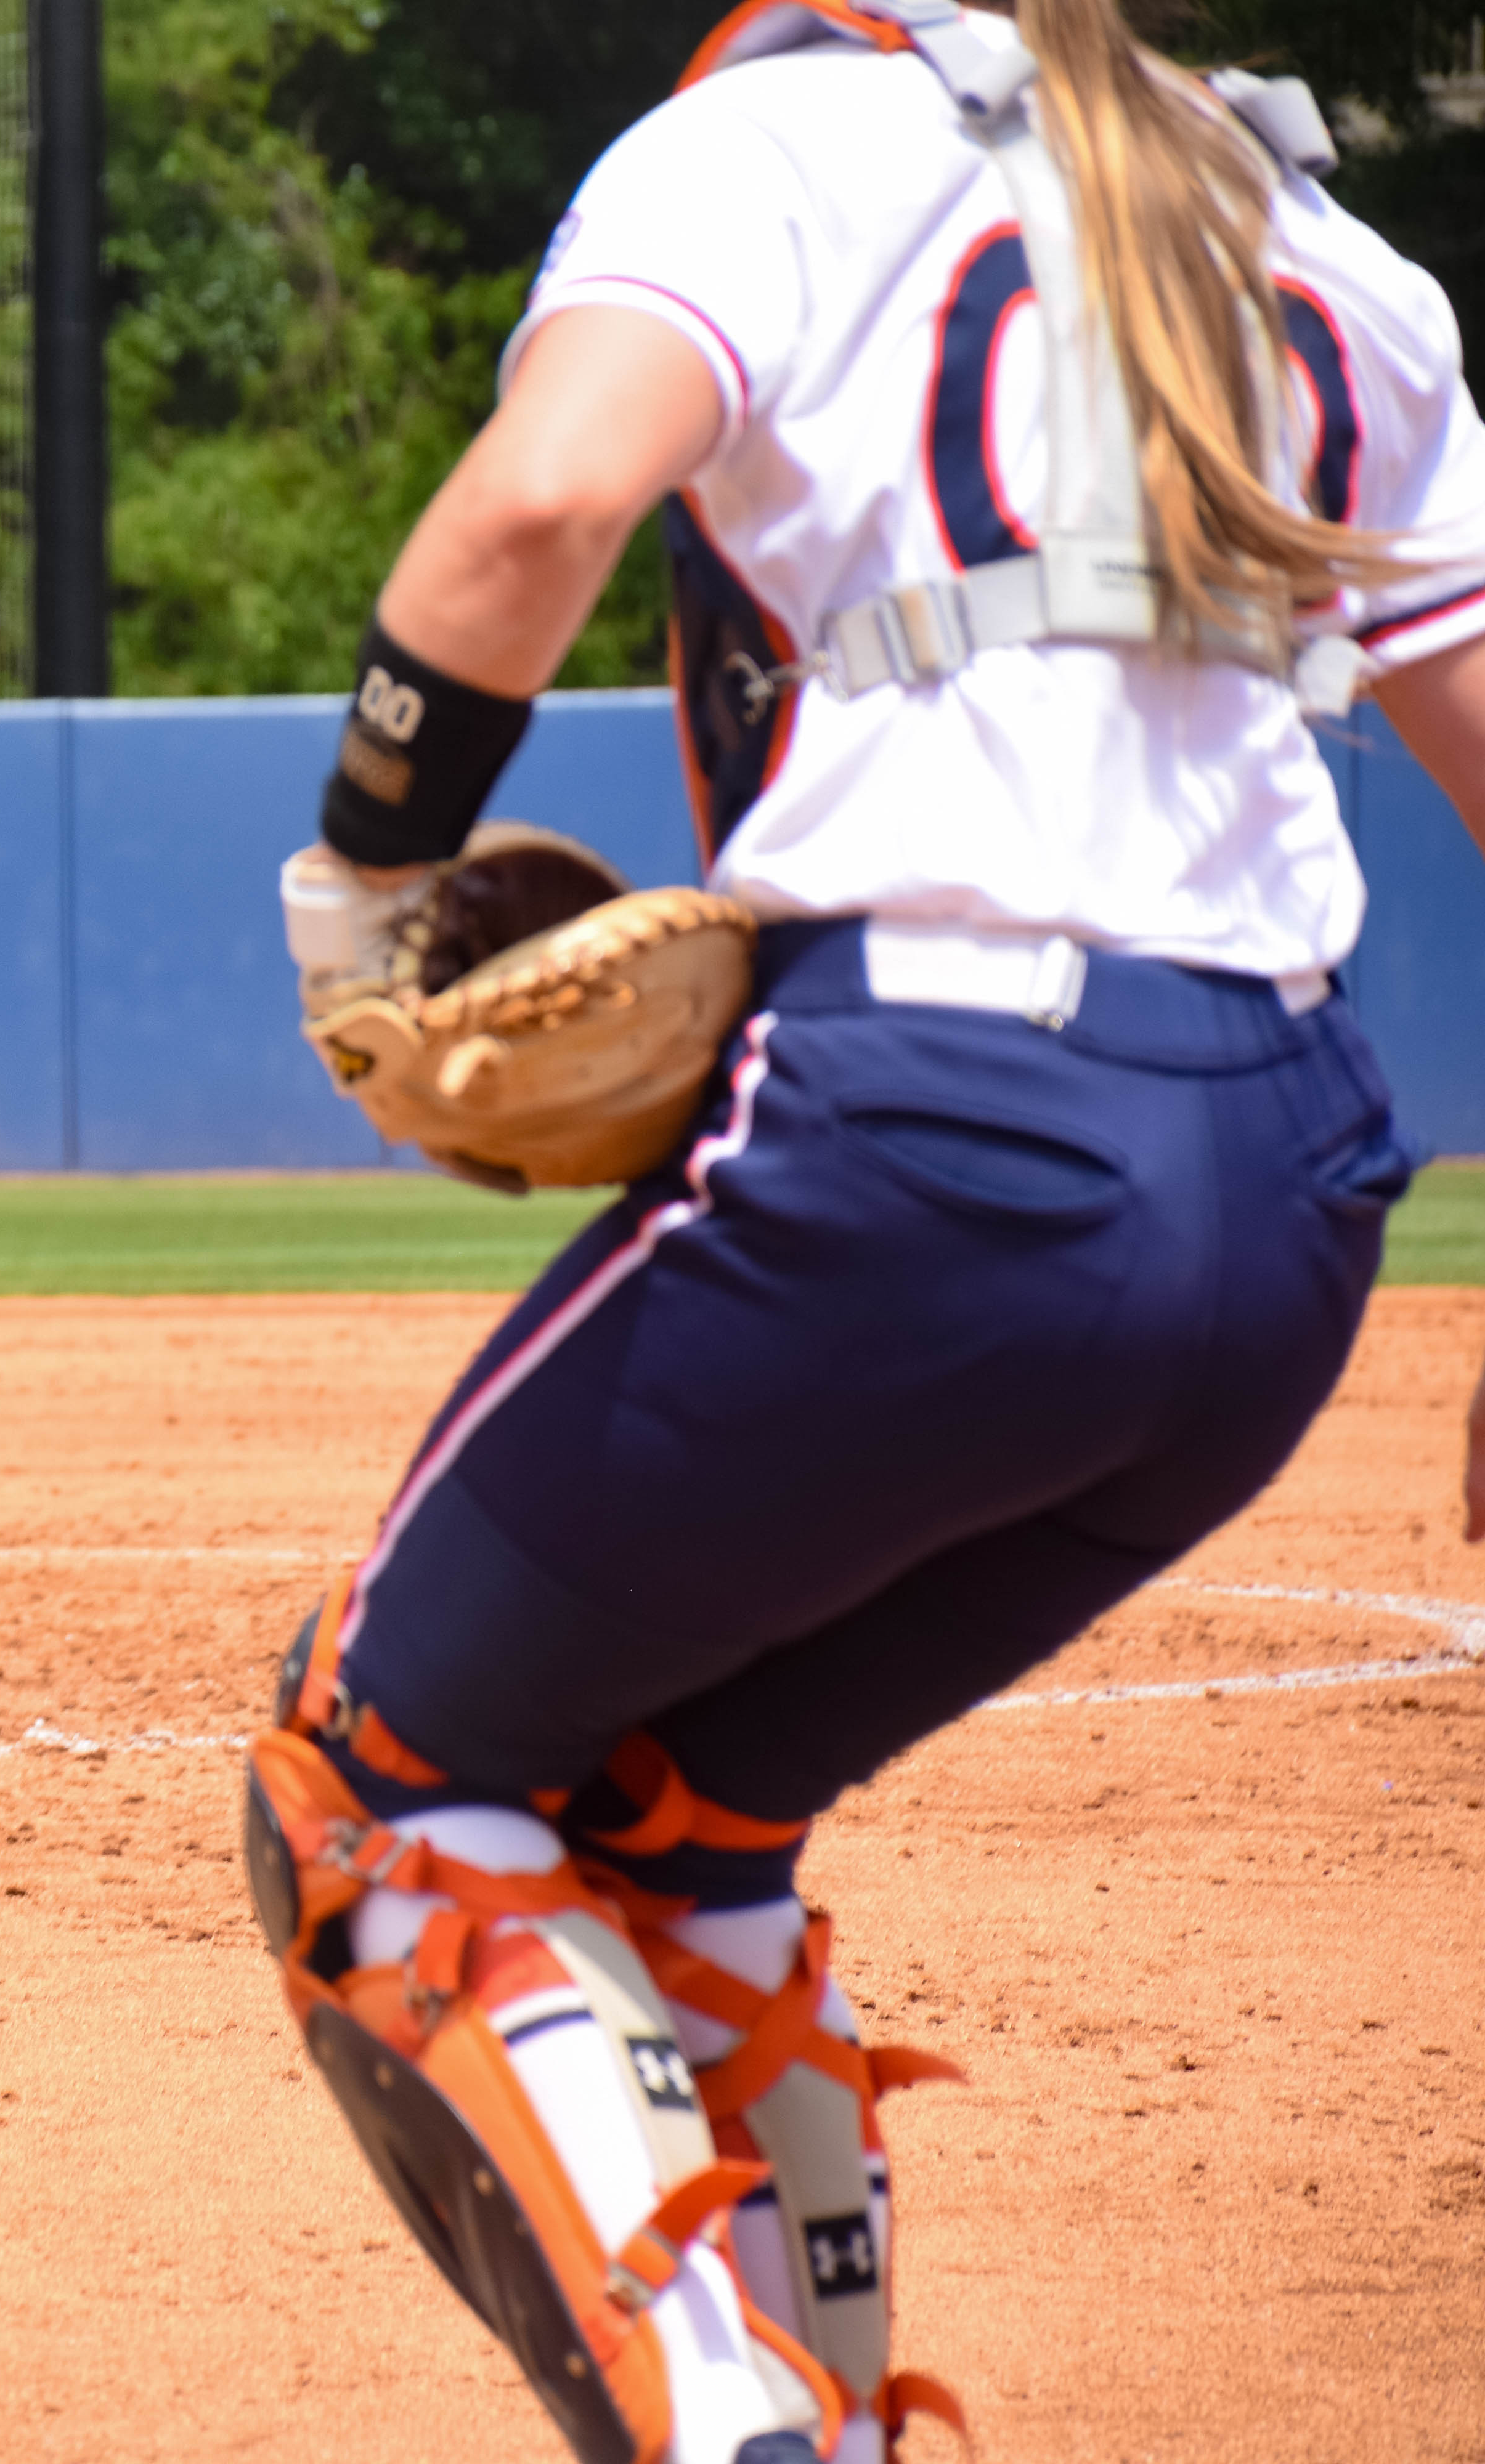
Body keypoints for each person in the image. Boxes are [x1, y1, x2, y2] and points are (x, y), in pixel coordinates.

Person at [240, 5, 1485, 2460]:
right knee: (670, 1798)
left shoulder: (781, 137)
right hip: (1298, 1194)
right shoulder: (1319, 241)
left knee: (367, 1781)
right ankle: (821, 2388)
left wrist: (362, 886)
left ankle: (737, 2432)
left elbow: (527, 519)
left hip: (943, 1125)